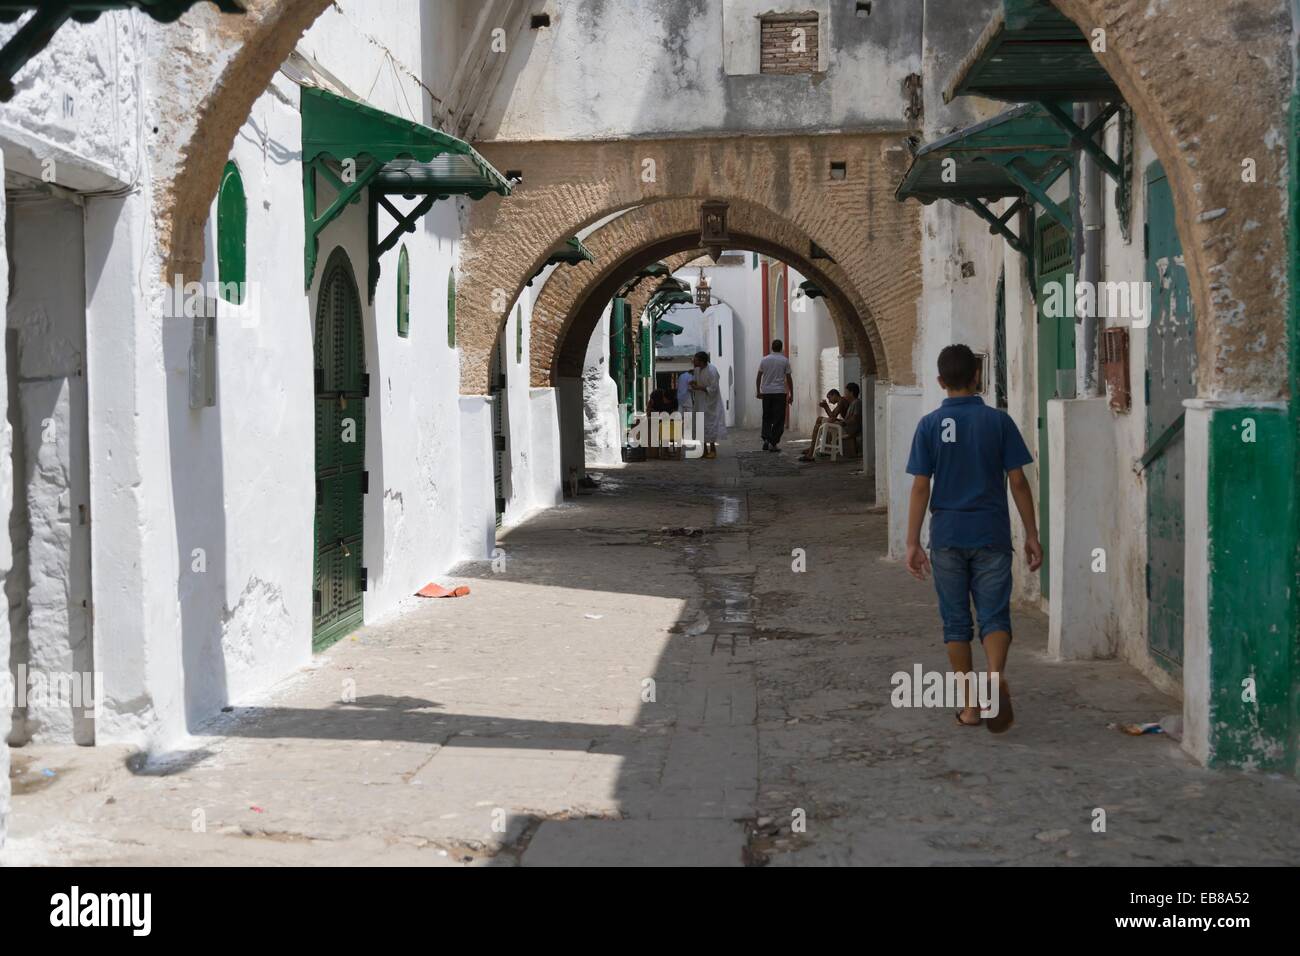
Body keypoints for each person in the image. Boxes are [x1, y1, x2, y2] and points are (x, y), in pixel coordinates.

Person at [904, 344, 1041, 733]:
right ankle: (994, 678)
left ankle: (970, 706)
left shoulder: (929, 425)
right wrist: (1031, 534)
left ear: (940, 381)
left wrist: (912, 541)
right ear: (977, 377)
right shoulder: (998, 422)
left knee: (955, 623)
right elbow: (1017, 481)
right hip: (992, 534)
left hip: (947, 536)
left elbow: (920, 487)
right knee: (995, 615)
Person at [756, 339, 793, 452]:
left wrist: (758, 391)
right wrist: (792, 393)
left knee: (766, 416)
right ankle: (773, 442)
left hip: (767, 392)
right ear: (781, 348)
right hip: (780, 392)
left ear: (772, 347)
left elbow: (758, 376)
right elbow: (789, 378)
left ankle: (767, 438)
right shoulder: (784, 361)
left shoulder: (764, 360)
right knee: (779, 418)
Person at [689, 350, 725, 458]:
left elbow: (713, 388)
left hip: (710, 403)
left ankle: (713, 449)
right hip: (700, 401)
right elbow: (697, 381)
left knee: (710, 425)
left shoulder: (712, 370)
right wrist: (693, 383)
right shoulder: (696, 370)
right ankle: (704, 450)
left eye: (695, 360)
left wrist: (699, 387)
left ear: (701, 361)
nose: (693, 361)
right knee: (700, 425)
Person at [798, 388, 850, 462]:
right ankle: (812, 448)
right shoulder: (841, 402)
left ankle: (811, 453)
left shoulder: (841, 401)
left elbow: (832, 417)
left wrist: (826, 407)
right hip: (843, 423)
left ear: (835, 395)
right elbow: (832, 416)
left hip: (845, 426)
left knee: (817, 427)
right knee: (819, 419)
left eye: (829, 398)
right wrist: (826, 408)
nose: (829, 401)